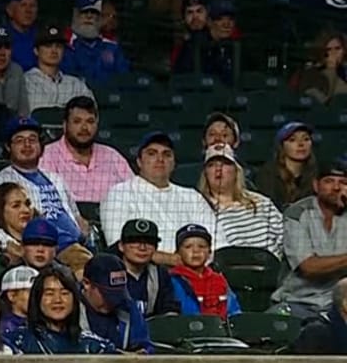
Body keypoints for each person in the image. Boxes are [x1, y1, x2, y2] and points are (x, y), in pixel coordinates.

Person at [102, 132, 224, 260]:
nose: (160, 159)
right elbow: (118, 247)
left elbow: (218, 244)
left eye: (166, 154)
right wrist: (174, 261)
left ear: (174, 163)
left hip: (197, 272)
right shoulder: (119, 193)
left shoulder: (192, 197)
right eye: (152, 153)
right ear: (139, 161)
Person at [0, 117, 85, 251]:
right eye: (19, 140)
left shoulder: (55, 178)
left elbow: (75, 215)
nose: (27, 145)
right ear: (8, 147)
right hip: (45, 249)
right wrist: (10, 245)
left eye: (32, 139)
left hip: (78, 244)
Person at [272, 160, 347, 319]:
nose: (336, 187)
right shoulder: (297, 214)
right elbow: (308, 267)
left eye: (343, 182)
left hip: (340, 305)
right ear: (316, 185)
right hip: (299, 302)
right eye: (329, 181)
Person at [37, 96, 133, 205]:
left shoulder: (112, 156)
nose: (84, 128)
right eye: (77, 121)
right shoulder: (47, 157)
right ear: (65, 125)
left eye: (90, 121)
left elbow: (136, 194)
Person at [7, 264, 116, 354]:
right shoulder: (15, 343)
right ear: (37, 298)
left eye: (65, 293)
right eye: (49, 293)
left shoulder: (95, 347)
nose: (57, 300)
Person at [199, 143, 284, 258]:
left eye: (225, 164)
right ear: (205, 174)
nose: (218, 169)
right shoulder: (199, 208)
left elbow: (285, 239)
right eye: (211, 165)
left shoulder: (262, 202)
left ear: (236, 171)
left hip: (271, 269)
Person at [79, 253, 153, 353]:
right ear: (86, 283)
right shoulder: (70, 308)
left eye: (118, 293)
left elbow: (144, 344)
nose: (113, 301)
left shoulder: (127, 306)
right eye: (106, 294)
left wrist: (143, 353)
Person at [168, 224, 241, 318]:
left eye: (202, 246)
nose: (195, 251)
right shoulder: (171, 280)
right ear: (177, 252)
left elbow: (234, 311)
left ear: (210, 251)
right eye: (188, 247)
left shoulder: (219, 279)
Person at [117, 218, 180, 316]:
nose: (142, 248)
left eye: (149, 242)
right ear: (121, 246)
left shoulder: (160, 274)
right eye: (135, 241)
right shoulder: (108, 271)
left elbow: (170, 308)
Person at [256, 122, 318, 209]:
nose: (301, 144)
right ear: (281, 146)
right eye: (292, 140)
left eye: (306, 139)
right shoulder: (268, 174)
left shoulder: (318, 173)